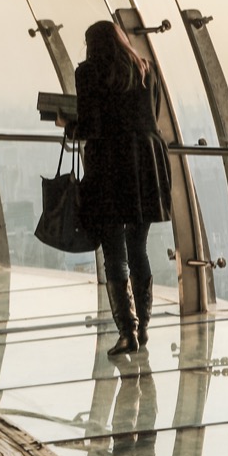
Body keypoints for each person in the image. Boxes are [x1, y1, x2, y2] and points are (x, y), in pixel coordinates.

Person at [71, 18, 172, 356]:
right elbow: (151, 114)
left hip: (110, 165)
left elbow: (90, 125)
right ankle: (143, 326)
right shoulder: (146, 69)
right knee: (138, 247)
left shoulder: (89, 72)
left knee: (114, 252)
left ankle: (127, 332)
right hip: (147, 162)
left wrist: (67, 124)